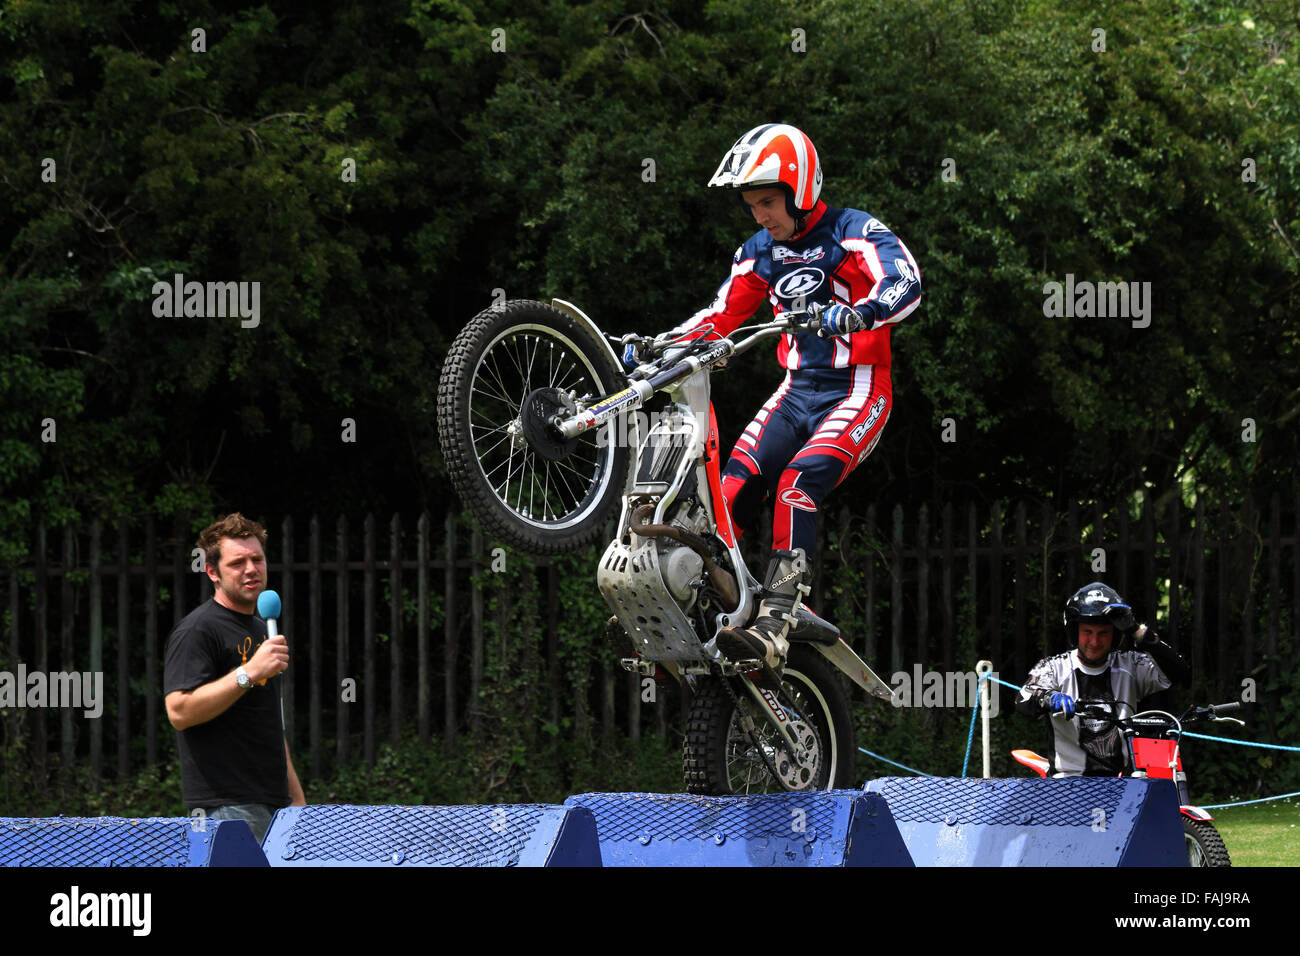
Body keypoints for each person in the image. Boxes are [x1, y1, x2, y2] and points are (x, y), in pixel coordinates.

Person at [640, 123, 922, 678]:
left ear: (800, 188)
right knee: (728, 487)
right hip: (795, 393)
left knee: (796, 485)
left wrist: (863, 310)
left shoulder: (852, 231)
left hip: (859, 388)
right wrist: (657, 344)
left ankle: (777, 620)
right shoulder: (760, 252)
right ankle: (693, 599)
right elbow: (719, 316)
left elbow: (906, 280)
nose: (760, 216)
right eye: (751, 206)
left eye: (768, 202)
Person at [163, 513, 305, 841]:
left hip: (275, 804)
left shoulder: (261, 628)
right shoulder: (199, 629)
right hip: (227, 806)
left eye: (257, 559)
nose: (251, 569)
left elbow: (268, 721)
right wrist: (248, 673)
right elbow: (179, 712)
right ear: (212, 571)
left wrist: (295, 795)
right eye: (237, 562)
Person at [1016, 581, 1192, 776]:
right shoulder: (1054, 667)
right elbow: (1023, 698)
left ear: (1116, 635)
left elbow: (1180, 672)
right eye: (1087, 632)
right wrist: (1048, 698)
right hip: (1066, 782)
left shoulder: (1130, 665)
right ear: (1075, 632)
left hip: (1123, 781)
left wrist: (1135, 629)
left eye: (1103, 633)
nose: (1094, 641)